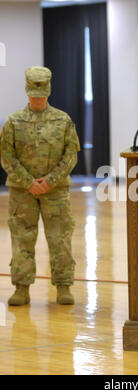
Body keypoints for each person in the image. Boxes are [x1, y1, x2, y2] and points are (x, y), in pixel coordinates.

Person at [0, 66, 80, 306]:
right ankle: (22, 288)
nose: (38, 98)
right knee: (22, 238)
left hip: (55, 191)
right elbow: (6, 156)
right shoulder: (14, 122)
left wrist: (51, 181)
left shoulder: (62, 120)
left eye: (42, 93)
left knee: (60, 239)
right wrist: (28, 182)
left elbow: (70, 155)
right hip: (22, 192)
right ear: (26, 90)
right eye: (35, 93)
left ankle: (64, 286)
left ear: (49, 91)